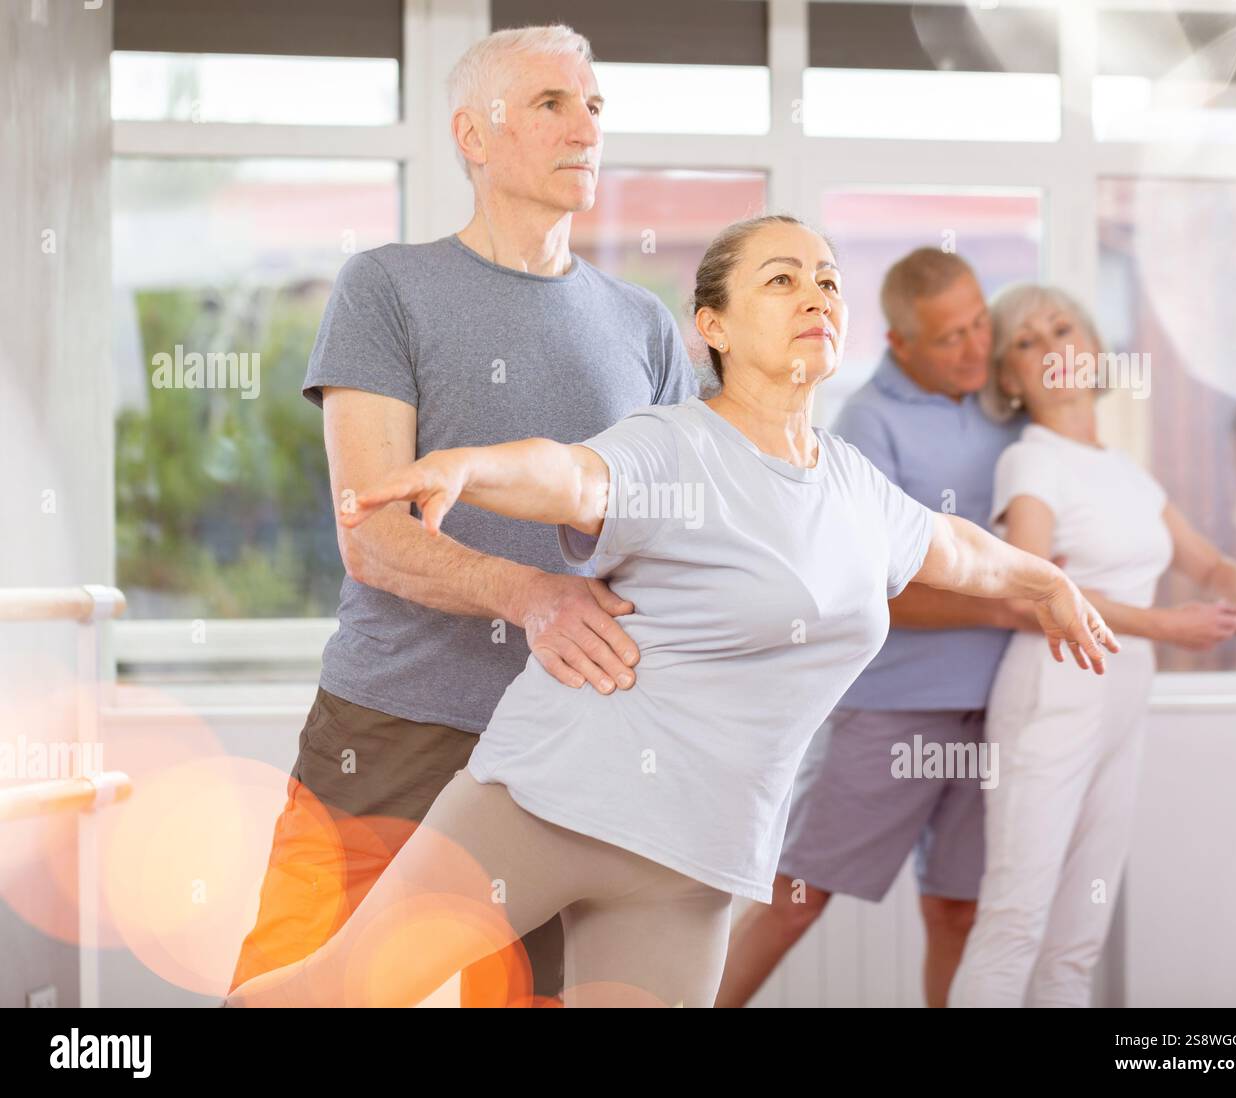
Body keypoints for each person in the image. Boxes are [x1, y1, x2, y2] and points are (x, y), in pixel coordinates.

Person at [225, 215, 1120, 1009]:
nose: (815, 293)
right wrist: (469, 466)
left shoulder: (852, 485)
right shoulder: (677, 447)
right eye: (781, 278)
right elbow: (570, 473)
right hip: (546, 808)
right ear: (713, 327)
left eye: (828, 279)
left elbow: (954, 548)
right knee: (335, 995)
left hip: (690, 869)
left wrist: (1045, 585)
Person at [227, 24, 699, 1006]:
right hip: (395, 717)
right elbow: (371, 533)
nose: (587, 126)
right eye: (550, 103)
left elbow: (668, 538)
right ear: (472, 137)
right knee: (289, 985)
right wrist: (531, 594)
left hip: (569, 736)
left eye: (595, 105)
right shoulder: (388, 288)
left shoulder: (644, 326)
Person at [717, 247, 1033, 1009]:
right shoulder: (867, 423)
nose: (975, 349)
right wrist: (1009, 603)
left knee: (958, 909)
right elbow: (871, 590)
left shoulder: (1004, 408)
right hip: (888, 711)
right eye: (949, 337)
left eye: (978, 325)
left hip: (996, 710)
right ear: (901, 345)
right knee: (796, 899)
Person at [947, 283, 1236, 1007]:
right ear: (1009, 378)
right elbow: (1027, 597)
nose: (1052, 347)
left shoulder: (1123, 470)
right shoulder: (1031, 463)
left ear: (1092, 350)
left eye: (1062, 329)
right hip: (1052, 702)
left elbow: (1204, 561)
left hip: (1120, 707)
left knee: (1076, 941)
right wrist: (1164, 626)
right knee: (1014, 925)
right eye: (1026, 342)